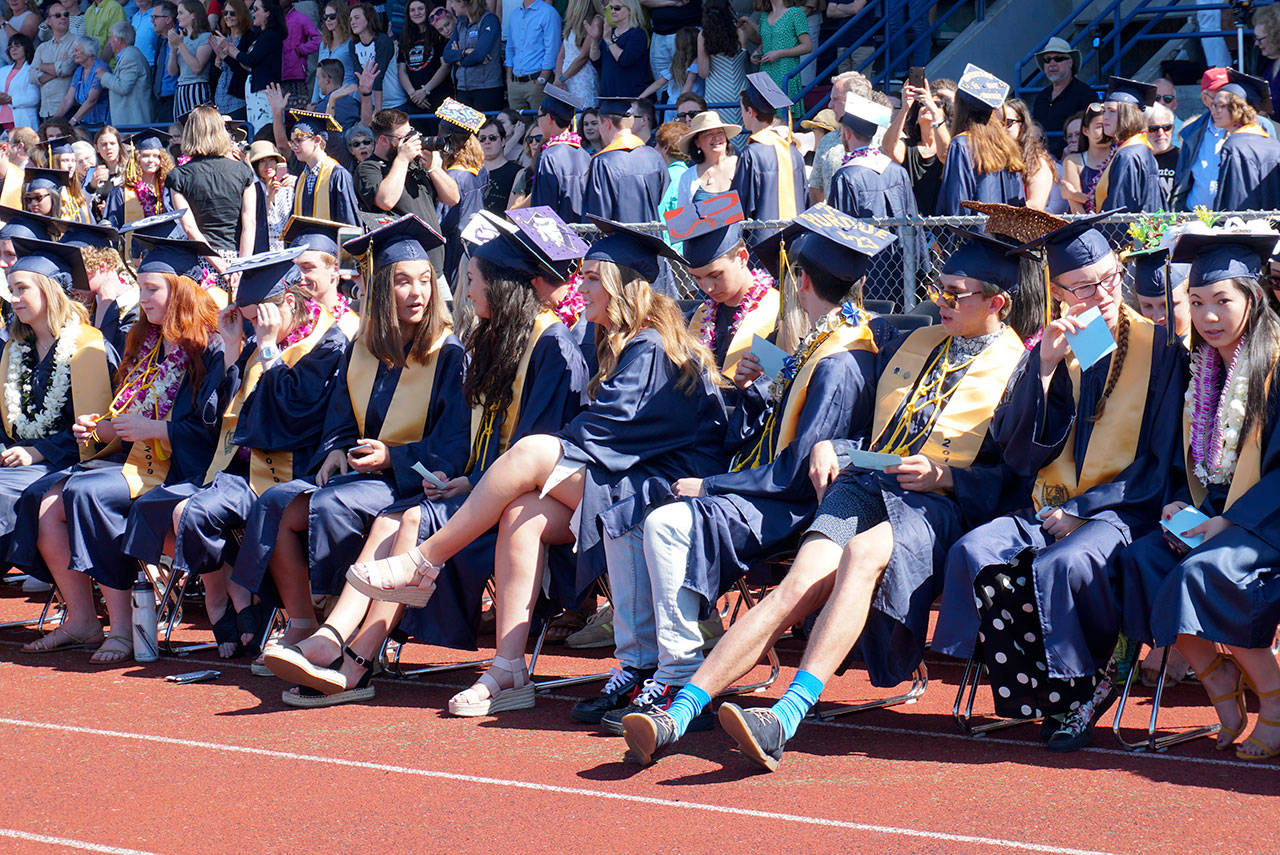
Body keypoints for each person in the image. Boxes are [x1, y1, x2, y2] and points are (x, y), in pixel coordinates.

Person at [621, 227, 1034, 768]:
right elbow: (849, 393)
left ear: (997, 303)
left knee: (861, 555)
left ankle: (785, 714)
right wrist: (831, 443)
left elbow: (1016, 472)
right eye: (939, 288)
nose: (941, 301)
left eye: (956, 294)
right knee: (798, 583)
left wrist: (947, 477)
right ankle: (679, 712)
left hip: (934, 507)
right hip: (865, 485)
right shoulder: (912, 341)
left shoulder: (1020, 368)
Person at [344, 219, 728, 717]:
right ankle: (508, 668)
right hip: (623, 481)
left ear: (622, 288)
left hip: (665, 490)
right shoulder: (620, 342)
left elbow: (599, 435)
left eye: (593, 278)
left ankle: (423, 562)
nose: (579, 288)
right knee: (522, 512)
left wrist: (503, 474)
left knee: (532, 453)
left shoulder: (651, 348)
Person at [573, 204, 894, 732]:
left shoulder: (841, 359)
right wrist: (755, 387)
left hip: (788, 504)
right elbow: (777, 423)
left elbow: (795, 471)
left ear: (802, 281)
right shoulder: (823, 339)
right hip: (760, 484)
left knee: (666, 521)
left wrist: (712, 484)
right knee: (629, 508)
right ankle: (643, 663)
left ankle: (679, 673)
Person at [262, 211, 589, 706]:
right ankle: (332, 638)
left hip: (523, 499)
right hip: (476, 488)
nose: (466, 292)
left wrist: (468, 479)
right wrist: (464, 479)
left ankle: (355, 661)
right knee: (390, 520)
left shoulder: (551, 347)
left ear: (500, 286)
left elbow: (536, 450)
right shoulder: (500, 339)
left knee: (411, 517)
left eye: (473, 280)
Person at [934, 214, 1187, 753]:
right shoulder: (1062, 345)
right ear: (1058, 294)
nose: (1104, 294)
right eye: (1085, 287)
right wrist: (1045, 368)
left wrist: (1085, 511)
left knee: (1066, 563)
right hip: (1048, 503)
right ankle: (1041, 692)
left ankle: (1084, 687)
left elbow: (1161, 458)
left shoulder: (1162, 349)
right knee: (976, 549)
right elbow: (1022, 452)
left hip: (1124, 509)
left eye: (1111, 278)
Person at [232, 215, 468, 658]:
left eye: (424, 281)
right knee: (276, 504)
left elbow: (454, 441)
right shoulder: (363, 347)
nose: (416, 293)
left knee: (330, 504)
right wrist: (336, 449)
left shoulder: (447, 353)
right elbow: (340, 416)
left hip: (409, 481)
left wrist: (391, 457)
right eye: (402, 282)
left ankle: (340, 631)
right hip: (361, 475)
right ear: (381, 290)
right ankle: (302, 622)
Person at [122, 248, 348, 659]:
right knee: (152, 507)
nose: (253, 327)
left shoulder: (326, 344)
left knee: (191, 513)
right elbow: (218, 415)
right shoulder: (253, 343)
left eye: (257, 317)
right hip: (236, 468)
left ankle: (226, 598)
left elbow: (293, 417)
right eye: (248, 319)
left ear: (289, 303)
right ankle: (231, 587)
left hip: (292, 466)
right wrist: (231, 347)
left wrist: (267, 348)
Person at [14, 236, 224, 664]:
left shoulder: (210, 348)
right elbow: (128, 411)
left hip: (183, 467)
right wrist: (102, 428)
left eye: (152, 289)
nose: (142, 298)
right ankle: (82, 619)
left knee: (85, 493)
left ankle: (124, 628)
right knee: (46, 503)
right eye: (140, 287)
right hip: (134, 461)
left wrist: (155, 428)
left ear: (182, 292)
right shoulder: (146, 343)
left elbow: (214, 432)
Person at [1117, 231, 1280, 761]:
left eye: (1222, 301)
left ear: (1254, 297)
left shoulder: (1277, 364)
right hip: (1217, 512)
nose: (1208, 316)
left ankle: (1275, 700)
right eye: (1197, 302)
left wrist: (1230, 522)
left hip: (1268, 518)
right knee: (1144, 560)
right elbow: (1187, 457)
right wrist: (1177, 501)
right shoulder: (1202, 366)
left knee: (1203, 571)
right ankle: (1220, 684)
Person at [0, 239, 116, 580]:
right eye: (11, 290)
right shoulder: (14, 350)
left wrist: (40, 451)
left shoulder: (90, 346)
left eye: (22, 289)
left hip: (70, 461)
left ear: (49, 291)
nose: (14, 298)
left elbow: (99, 426)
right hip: (19, 460)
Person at [827, 93, 917, 303]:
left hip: (864, 274)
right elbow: (914, 223)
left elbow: (839, 234)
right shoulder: (897, 171)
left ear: (846, 133)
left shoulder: (846, 176)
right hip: (900, 268)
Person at [680, 194, 779, 383]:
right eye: (697, 278)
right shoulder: (696, 317)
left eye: (715, 275)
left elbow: (784, 384)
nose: (707, 288)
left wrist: (756, 385)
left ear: (742, 257)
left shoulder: (777, 314)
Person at [356, 108, 459, 277]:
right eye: (404, 138)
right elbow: (386, 201)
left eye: (412, 133)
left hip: (434, 265)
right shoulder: (368, 168)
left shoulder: (416, 163)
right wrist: (403, 159)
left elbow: (453, 198)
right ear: (383, 140)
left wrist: (433, 168)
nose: (411, 142)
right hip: (401, 266)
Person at [166, 105, 258, 264]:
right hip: (237, 259)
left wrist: (219, 265)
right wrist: (241, 267)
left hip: (200, 261)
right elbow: (249, 224)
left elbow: (189, 228)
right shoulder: (243, 172)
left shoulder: (178, 176)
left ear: (190, 134)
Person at [936, 64, 1025, 216]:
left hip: (975, 230)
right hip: (1006, 230)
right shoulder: (1007, 146)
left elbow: (958, 203)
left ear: (960, 107)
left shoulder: (961, 144)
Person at [731, 72, 805, 247]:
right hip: (796, 241)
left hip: (762, 246)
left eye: (742, 110)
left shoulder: (751, 154)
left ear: (750, 112)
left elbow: (741, 205)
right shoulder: (793, 151)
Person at [583, 97, 669, 225]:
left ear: (606, 123)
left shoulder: (603, 162)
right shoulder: (654, 157)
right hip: (652, 236)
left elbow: (597, 217)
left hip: (618, 237)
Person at [432, 98, 488, 289]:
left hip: (454, 247)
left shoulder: (453, 177)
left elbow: (441, 219)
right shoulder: (480, 169)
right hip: (475, 240)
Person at [63, 221, 141, 354]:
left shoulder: (135, 308)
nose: (71, 283)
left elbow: (104, 357)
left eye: (76, 274)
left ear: (102, 265)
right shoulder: (91, 302)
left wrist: (106, 303)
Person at [212, 0, 284, 136]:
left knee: (263, 134)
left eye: (256, 9)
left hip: (264, 93)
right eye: (225, 13)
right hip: (253, 93)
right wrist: (222, 56)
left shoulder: (270, 35)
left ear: (268, 13)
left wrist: (229, 49)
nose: (252, 12)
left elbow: (250, 61)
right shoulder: (261, 35)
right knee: (254, 133)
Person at [280, 109, 362, 227]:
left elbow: (349, 223)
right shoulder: (302, 179)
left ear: (317, 140)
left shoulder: (338, 175)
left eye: (298, 140)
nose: (293, 147)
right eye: (292, 142)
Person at [1213, 71, 1280, 212]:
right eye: (1214, 105)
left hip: (1246, 223)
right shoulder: (1275, 145)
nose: (1215, 111)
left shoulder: (1235, 147)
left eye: (1221, 105)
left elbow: (1235, 199)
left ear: (1238, 108)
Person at [883, 77, 951, 216]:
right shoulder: (908, 147)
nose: (927, 106)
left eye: (937, 104)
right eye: (922, 105)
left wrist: (933, 110)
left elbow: (946, 154)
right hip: (911, 221)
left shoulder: (951, 145)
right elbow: (889, 147)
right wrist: (905, 108)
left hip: (942, 222)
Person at [1171, 67, 1229, 212]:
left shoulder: (1254, 127)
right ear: (1205, 99)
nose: (1224, 100)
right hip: (1195, 217)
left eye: (1229, 93)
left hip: (1235, 218)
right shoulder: (1191, 132)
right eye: (1218, 94)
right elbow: (1183, 180)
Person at [529, 84, 589, 224]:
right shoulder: (585, 155)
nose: (538, 122)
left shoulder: (548, 157)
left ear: (548, 118)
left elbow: (543, 207)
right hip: (584, 231)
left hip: (558, 231)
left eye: (539, 116)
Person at [1030, 37, 1097, 159]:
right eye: (1047, 60)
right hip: (1043, 159)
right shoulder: (1041, 97)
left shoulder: (1086, 94)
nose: (1052, 64)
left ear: (1070, 62)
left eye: (1058, 59)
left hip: (1076, 159)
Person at [742, 0, 809, 118]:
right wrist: (757, 52)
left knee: (785, 119)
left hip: (785, 71)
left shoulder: (795, 13)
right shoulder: (764, 16)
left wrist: (779, 53)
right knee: (766, 118)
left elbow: (807, 46)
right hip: (766, 74)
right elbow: (765, 41)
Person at [444, 0, 502, 112]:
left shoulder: (489, 20)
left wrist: (459, 62)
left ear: (462, 2)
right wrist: (464, 52)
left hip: (486, 88)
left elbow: (479, 55)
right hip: (463, 89)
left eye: (453, 2)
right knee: (465, 124)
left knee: (487, 124)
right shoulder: (461, 24)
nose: (451, 6)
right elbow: (446, 55)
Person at [696, 0, 747, 127]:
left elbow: (703, 72)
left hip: (716, 92)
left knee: (720, 130)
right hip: (741, 90)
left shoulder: (703, 36)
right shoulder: (740, 31)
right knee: (744, 129)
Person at [673, 110, 739, 206]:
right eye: (709, 134)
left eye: (720, 132)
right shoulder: (688, 177)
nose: (716, 137)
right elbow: (683, 213)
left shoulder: (741, 165)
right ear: (697, 142)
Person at [1128, 244, 1190, 344]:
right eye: (1148, 306)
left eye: (1167, 305)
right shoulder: (1137, 347)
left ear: (1191, 298)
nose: (1158, 318)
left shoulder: (1209, 348)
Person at [504, 0, 559, 110]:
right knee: (517, 121)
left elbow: (552, 49)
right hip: (516, 83)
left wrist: (542, 79)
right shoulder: (515, 14)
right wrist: (509, 80)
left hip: (537, 81)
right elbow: (510, 48)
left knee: (541, 120)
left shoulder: (548, 12)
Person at [399, 0, 451, 113]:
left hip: (440, 98)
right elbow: (402, 70)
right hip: (414, 102)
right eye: (412, 10)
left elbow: (445, 66)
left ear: (427, 9)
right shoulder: (405, 37)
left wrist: (425, 91)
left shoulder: (438, 32)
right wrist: (413, 95)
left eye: (420, 9)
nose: (417, 13)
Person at [98, 22, 151, 127]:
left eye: (111, 37)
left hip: (133, 123)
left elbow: (123, 87)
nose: (109, 41)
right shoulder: (128, 55)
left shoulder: (130, 57)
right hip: (129, 122)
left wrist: (104, 76)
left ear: (119, 40)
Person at [593, 0, 649, 100]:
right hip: (607, 97)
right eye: (611, 8)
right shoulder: (610, 33)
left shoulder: (638, 34)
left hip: (629, 98)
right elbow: (595, 60)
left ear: (630, 10)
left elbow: (625, 60)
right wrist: (594, 39)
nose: (612, 11)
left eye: (617, 8)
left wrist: (608, 41)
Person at [31, 1, 75, 125]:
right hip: (46, 110)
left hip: (69, 109)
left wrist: (42, 67)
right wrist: (57, 69)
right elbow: (31, 76)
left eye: (66, 14)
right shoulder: (42, 48)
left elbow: (67, 69)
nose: (63, 18)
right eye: (58, 15)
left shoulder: (77, 42)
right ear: (48, 21)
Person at [1060, 103, 1108, 214]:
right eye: (1099, 126)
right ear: (1086, 131)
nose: (1104, 131)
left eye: (1107, 126)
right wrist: (1074, 197)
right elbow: (1076, 210)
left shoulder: (1120, 156)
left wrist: (1074, 195)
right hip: (1086, 222)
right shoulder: (1073, 161)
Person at [167, 0, 212, 117]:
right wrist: (172, 50)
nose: (177, 17)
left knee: (198, 125)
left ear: (193, 15)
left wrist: (180, 45)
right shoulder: (182, 38)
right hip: (181, 89)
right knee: (181, 126)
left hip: (197, 88)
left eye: (181, 13)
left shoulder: (206, 37)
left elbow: (197, 68)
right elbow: (172, 72)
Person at [554, 0, 600, 109]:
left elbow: (583, 56)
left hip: (582, 78)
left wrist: (562, 78)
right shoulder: (572, 21)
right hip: (565, 78)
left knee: (582, 112)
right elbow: (561, 55)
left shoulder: (596, 20)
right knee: (565, 115)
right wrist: (557, 79)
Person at [211, 0, 252, 118]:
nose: (228, 16)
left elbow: (245, 71)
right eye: (225, 13)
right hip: (219, 99)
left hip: (239, 101)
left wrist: (225, 56)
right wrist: (217, 62)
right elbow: (217, 73)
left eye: (232, 13)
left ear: (241, 14)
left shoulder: (249, 38)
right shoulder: (223, 37)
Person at [58, 36, 109, 129]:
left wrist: (72, 121)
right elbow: (68, 99)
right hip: (84, 121)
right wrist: (54, 120)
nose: (73, 54)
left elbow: (92, 100)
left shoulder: (100, 68)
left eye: (77, 51)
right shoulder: (79, 70)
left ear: (89, 52)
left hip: (101, 123)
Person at [279, 0, 320, 108]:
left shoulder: (300, 18)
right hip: (276, 75)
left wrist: (300, 50)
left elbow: (318, 39)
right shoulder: (273, 19)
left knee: (297, 113)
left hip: (296, 75)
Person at [0, 33, 38, 131]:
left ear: (26, 48)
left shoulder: (32, 70)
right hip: (2, 122)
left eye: (17, 46)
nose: (13, 49)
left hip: (22, 119)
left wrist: (11, 100)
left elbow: (34, 98)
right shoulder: (3, 70)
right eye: (10, 47)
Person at [149, 1, 179, 123]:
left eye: (155, 17)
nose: (152, 21)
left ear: (168, 19)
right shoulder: (161, 41)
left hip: (174, 99)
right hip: (160, 99)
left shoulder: (179, 38)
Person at [1146, 101, 1178, 207]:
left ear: (1173, 129)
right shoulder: (1139, 159)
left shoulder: (1183, 157)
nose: (1161, 133)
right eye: (1153, 129)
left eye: (1166, 128)